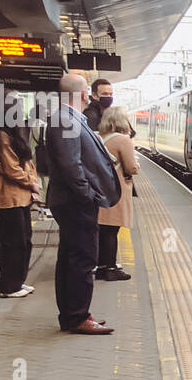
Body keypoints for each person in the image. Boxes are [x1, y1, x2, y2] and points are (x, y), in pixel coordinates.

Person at [44, 73, 119, 335]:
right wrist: (87, 194)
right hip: (75, 202)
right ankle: (77, 317)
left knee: (70, 257)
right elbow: (70, 164)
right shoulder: (66, 119)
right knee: (83, 259)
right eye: (89, 90)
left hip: (71, 201)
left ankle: (72, 315)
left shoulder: (70, 118)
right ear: (84, 94)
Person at [0, 99, 40, 298]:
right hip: (8, 195)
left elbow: (26, 162)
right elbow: (10, 168)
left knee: (24, 241)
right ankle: (7, 286)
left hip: (20, 196)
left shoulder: (12, 132)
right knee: (13, 242)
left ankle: (18, 282)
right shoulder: (0, 134)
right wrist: (31, 182)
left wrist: (32, 180)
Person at [95, 104, 139, 282]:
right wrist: (136, 166)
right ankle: (111, 268)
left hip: (100, 188)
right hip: (116, 189)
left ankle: (101, 266)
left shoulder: (99, 137)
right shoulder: (123, 140)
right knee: (112, 230)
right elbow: (130, 167)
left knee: (102, 229)